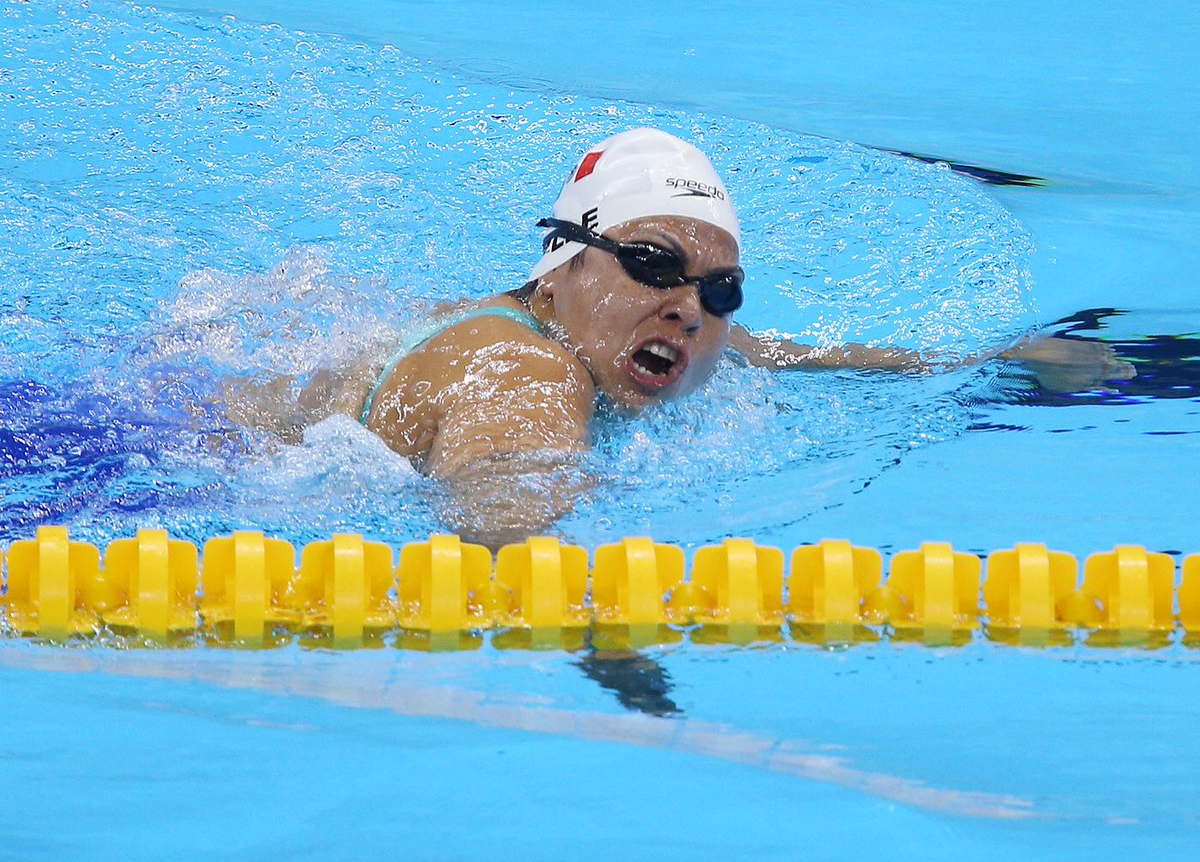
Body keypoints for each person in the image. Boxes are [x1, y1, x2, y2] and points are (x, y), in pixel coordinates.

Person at [229, 128, 1133, 547]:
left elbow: (785, 356)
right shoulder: (525, 369)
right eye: (655, 264)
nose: (691, 311)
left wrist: (993, 361)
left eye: (721, 289)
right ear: (564, 263)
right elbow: (502, 514)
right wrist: (601, 640)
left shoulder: (628, 328)